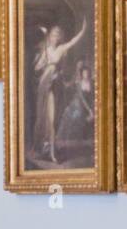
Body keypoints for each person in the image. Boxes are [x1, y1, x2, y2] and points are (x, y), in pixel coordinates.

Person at [31, 19, 88, 164]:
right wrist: (41, 63)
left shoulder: (61, 48)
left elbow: (73, 41)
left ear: (59, 37)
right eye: (52, 35)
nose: (54, 37)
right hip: (45, 84)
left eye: (57, 35)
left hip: (55, 84)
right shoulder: (46, 50)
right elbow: (37, 68)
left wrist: (82, 30)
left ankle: (51, 150)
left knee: (52, 119)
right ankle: (47, 150)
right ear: (49, 36)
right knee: (44, 118)